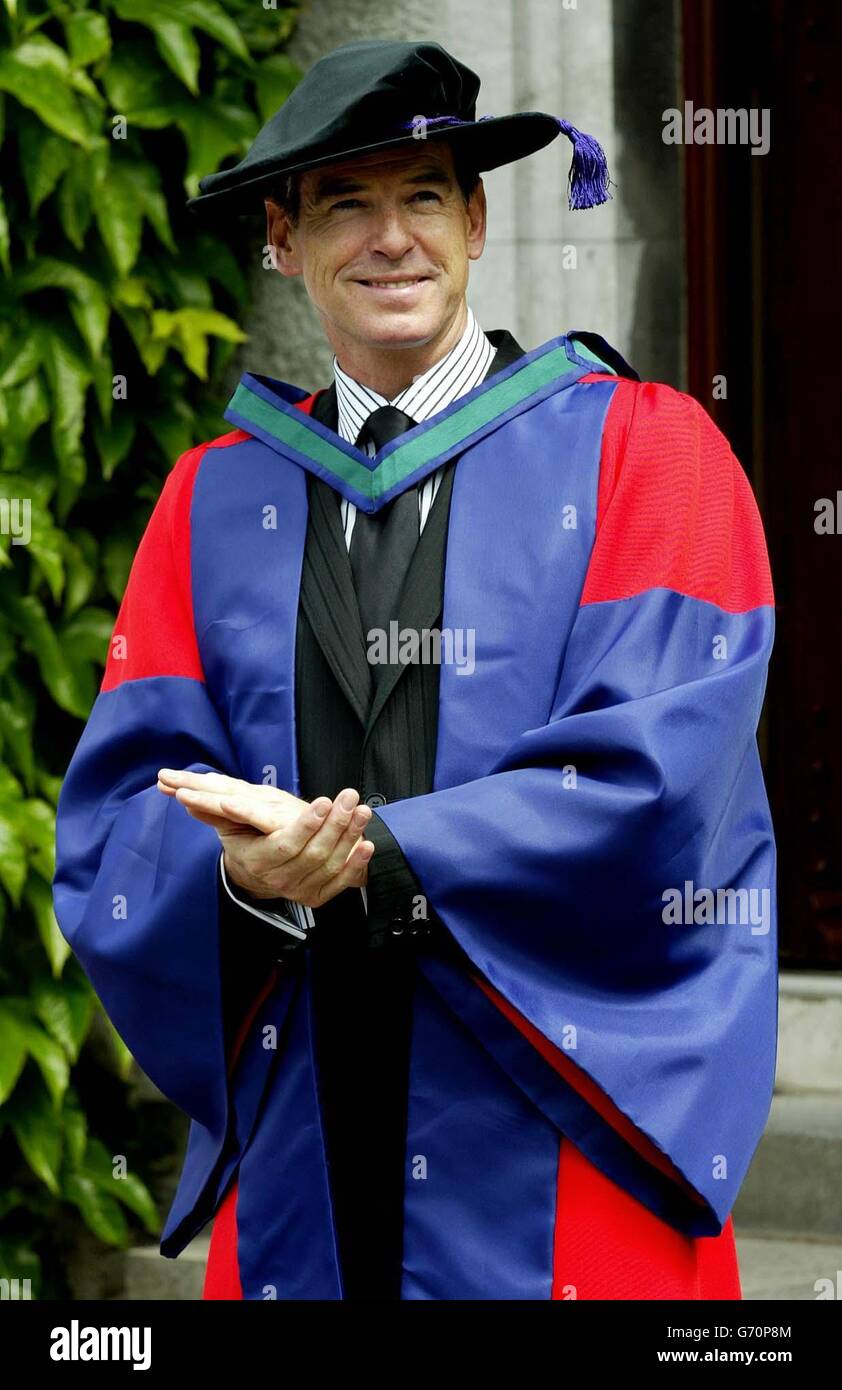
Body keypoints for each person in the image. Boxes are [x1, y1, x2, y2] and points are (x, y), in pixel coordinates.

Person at [53, 38, 777, 1301]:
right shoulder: (211, 503)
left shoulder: (645, 456)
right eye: (344, 202)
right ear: (281, 238)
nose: (391, 237)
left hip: (552, 1140)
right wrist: (237, 875)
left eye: (423, 195)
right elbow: (115, 821)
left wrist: (379, 855)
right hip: (301, 1139)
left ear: (478, 219)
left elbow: (661, 783)